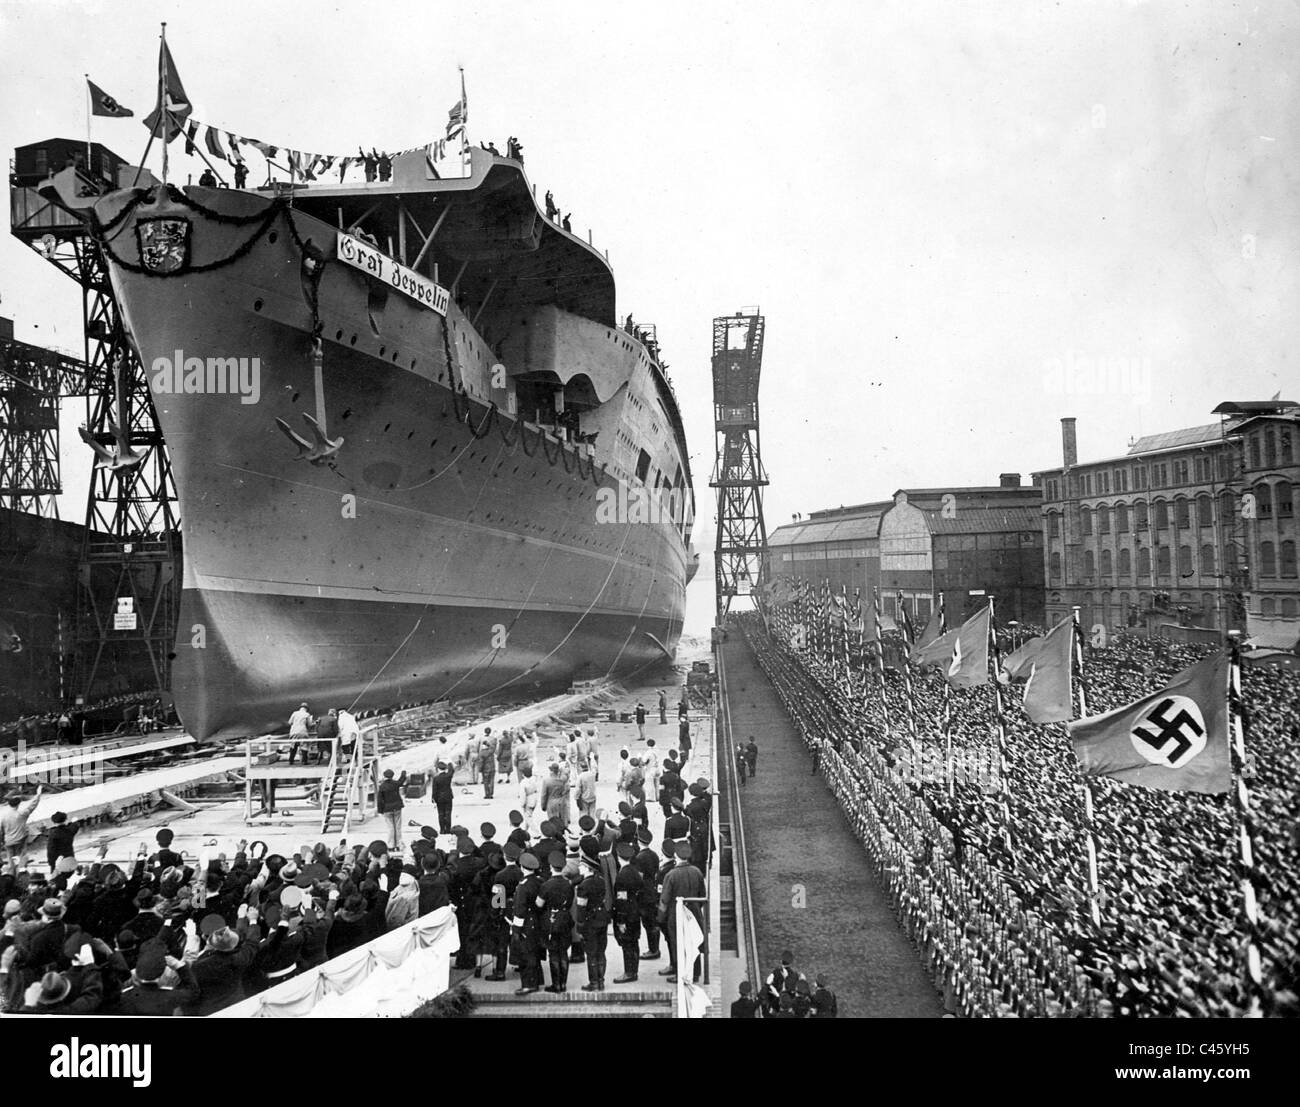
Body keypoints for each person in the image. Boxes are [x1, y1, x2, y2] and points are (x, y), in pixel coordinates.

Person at [659, 841, 705, 983]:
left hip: (676, 915)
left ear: (675, 856)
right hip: (695, 913)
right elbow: (702, 894)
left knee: (678, 943)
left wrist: (660, 918)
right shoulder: (697, 872)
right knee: (693, 942)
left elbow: (664, 900)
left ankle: (681, 973)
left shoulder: (671, 875)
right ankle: (696, 972)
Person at [575, 850, 610, 991]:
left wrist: (580, 925)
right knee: (601, 951)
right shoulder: (601, 881)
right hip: (602, 919)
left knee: (591, 952)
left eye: (581, 866)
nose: (579, 868)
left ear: (588, 868)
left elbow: (581, 907)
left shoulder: (584, 886)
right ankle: (601, 981)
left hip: (590, 922)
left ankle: (594, 982)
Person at [511, 851, 545, 995]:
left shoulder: (522, 886)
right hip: (537, 921)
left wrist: (516, 930)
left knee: (526, 955)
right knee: (535, 953)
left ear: (522, 867)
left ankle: (529, 984)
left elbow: (519, 910)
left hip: (525, 924)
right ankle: (537, 980)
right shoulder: (539, 882)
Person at [611, 841, 643, 983]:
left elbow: (621, 900)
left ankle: (629, 972)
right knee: (634, 942)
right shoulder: (634, 872)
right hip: (635, 912)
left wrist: (621, 920)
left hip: (627, 914)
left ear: (618, 857)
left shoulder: (622, 876)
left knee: (627, 944)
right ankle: (633, 971)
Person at [2, 786, 43, 868]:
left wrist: (3, 842)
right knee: (21, 860)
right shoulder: (22, 814)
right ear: (18, 803)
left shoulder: (4, 817)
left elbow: (1, 832)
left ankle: (11, 877)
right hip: (20, 840)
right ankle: (21, 875)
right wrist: (38, 794)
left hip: (8, 842)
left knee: (11, 863)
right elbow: (32, 805)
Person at [376, 768, 408, 850]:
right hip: (397, 807)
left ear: (384, 776)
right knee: (397, 826)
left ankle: (390, 845)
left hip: (387, 809)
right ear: (392, 776)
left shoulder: (382, 786)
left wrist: (380, 811)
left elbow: (380, 800)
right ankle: (398, 844)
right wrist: (403, 773)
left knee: (390, 827)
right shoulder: (395, 784)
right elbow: (401, 781)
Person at [431, 761, 454, 835]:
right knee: (448, 813)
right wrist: (449, 763)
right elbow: (452, 770)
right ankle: (448, 829)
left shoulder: (436, 779)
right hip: (448, 797)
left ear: (438, 769)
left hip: (439, 798)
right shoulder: (448, 776)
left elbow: (434, 790)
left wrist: (433, 798)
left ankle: (442, 829)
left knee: (441, 814)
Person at [477, 730, 498, 799]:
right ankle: (491, 793)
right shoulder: (491, 751)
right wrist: (489, 743)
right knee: (491, 781)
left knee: (486, 782)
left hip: (485, 769)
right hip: (492, 767)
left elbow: (481, 762)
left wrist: (479, 769)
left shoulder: (482, 753)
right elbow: (493, 746)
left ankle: (487, 794)